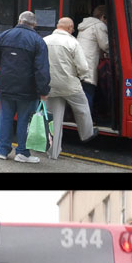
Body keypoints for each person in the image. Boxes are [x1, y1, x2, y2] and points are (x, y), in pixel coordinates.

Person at [0, 10, 50, 163]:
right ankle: (22, 153)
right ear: (34, 24)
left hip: (6, 85)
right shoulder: (38, 41)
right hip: (27, 89)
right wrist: (43, 90)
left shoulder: (5, 35)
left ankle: (3, 150)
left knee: (5, 117)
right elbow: (41, 69)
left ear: (19, 20)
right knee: (24, 120)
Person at [41, 17, 97, 161]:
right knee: (82, 108)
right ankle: (87, 134)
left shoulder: (45, 40)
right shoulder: (73, 42)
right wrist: (83, 77)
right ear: (70, 28)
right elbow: (83, 66)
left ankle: (53, 153)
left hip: (50, 85)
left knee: (55, 120)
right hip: (70, 85)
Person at [75, 5, 110, 112]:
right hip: (89, 64)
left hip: (79, 62)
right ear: (103, 17)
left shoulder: (86, 25)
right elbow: (105, 45)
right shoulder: (99, 25)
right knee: (88, 92)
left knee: (82, 92)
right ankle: (87, 121)